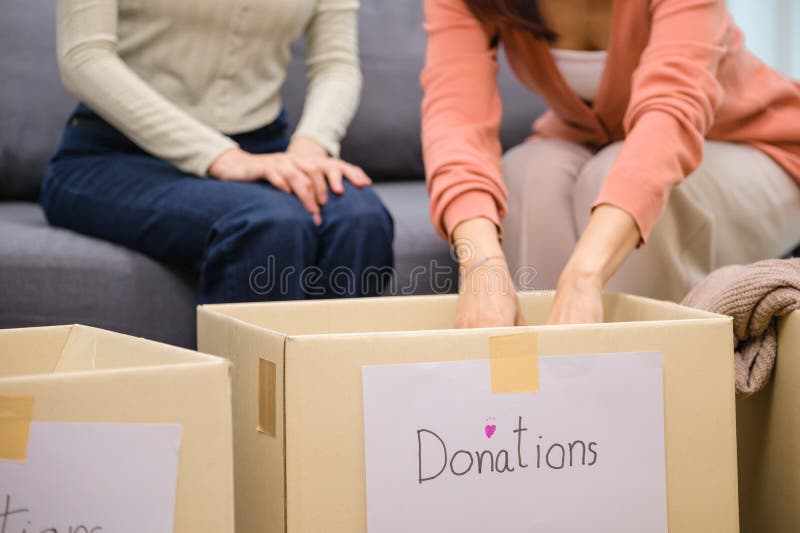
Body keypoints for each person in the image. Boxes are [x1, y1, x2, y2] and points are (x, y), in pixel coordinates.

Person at [421, 0, 800, 327]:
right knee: (528, 172)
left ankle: (650, 390)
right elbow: (455, 119)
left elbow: (669, 113)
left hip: (760, 147)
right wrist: (481, 265)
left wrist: (585, 274)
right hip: (596, 141)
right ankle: (541, 390)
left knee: (612, 179)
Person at [42, 0, 394, 304]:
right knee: (267, 224)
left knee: (360, 219)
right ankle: (248, 385)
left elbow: (335, 64)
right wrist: (220, 156)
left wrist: (310, 148)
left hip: (265, 150)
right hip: (115, 155)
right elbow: (83, 57)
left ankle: (333, 384)